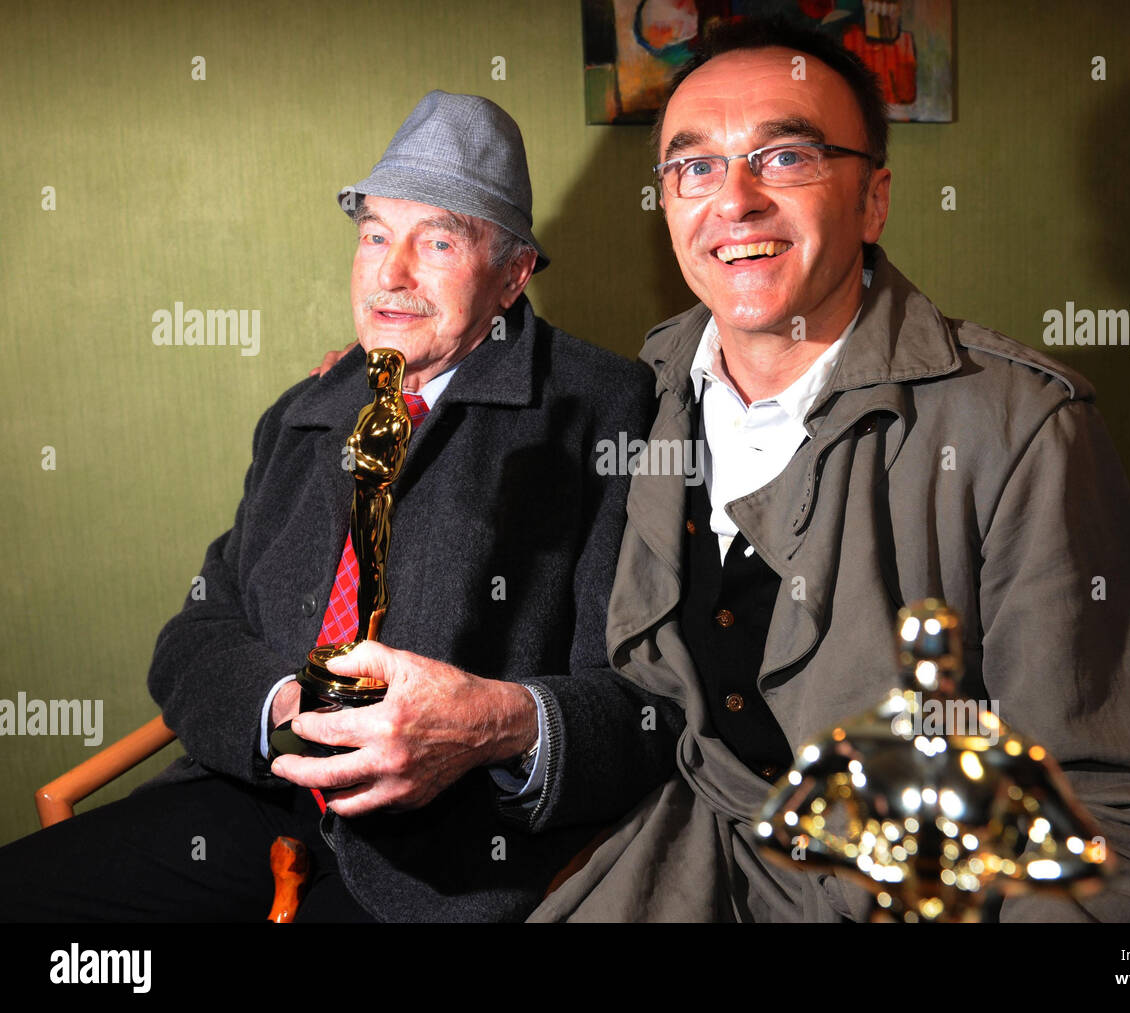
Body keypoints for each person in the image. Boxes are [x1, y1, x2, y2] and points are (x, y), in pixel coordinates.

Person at [528, 20, 1130, 922]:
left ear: (873, 200)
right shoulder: (656, 380)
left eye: (784, 157)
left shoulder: (1023, 426)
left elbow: (1121, 821)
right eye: (696, 166)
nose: (735, 201)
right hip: (698, 852)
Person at [0, 90, 681, 922]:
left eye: (436, 240)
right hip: (253, 798)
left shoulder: (608, 407)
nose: (391, 275)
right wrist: (283, 705)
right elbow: (194, 636)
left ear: (512, 275)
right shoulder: (307, 409)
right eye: (373, 236)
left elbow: (651, 701)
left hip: (449, 859)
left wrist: (492, 724)